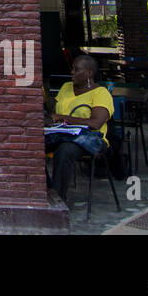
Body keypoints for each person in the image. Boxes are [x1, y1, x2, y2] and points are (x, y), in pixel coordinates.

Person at [48, 54, 113, 205]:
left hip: (88, 139)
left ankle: (58, 199)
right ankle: (47, 189)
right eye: (72, 69)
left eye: (77, 70)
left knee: (65, 150)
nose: (72, 73)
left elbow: (96, 123)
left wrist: (63, 118)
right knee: (32, 145)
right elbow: (53, 112)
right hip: (62, 135)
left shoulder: (100, 93)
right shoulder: (66, 87)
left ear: (89, 73)